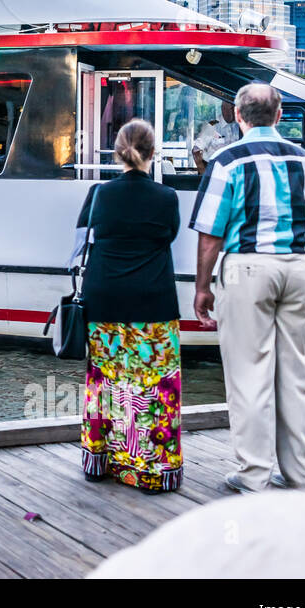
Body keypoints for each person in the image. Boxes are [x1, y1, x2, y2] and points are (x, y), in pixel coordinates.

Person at [190, 83, 305, 494]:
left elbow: (210, 235)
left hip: (246, 267)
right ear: (279, 113)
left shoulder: (227, 161)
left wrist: (203, 287)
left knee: (248, 373)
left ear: (238, 116)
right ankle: (303, 475)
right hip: (299, 266)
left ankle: (252, 473)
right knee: (296, 372)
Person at [77, 119, 183, 492]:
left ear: (118, 152)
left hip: (105, 298)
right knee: (154, 385)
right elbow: (168, 236)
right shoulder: (167, 198)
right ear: (153, 153)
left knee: (105, 381)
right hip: (152, 300)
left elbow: (87, 239)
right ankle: (152, 468)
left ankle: (100, 460)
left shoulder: (100, 194)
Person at [191, 100, 239, 175]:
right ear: (223, 109)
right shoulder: (213, 124)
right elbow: (196, 151)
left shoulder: (239, 124)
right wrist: (204, 175)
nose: (234, 112)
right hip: (216, 174)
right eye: (231, 109)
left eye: (235, 108)